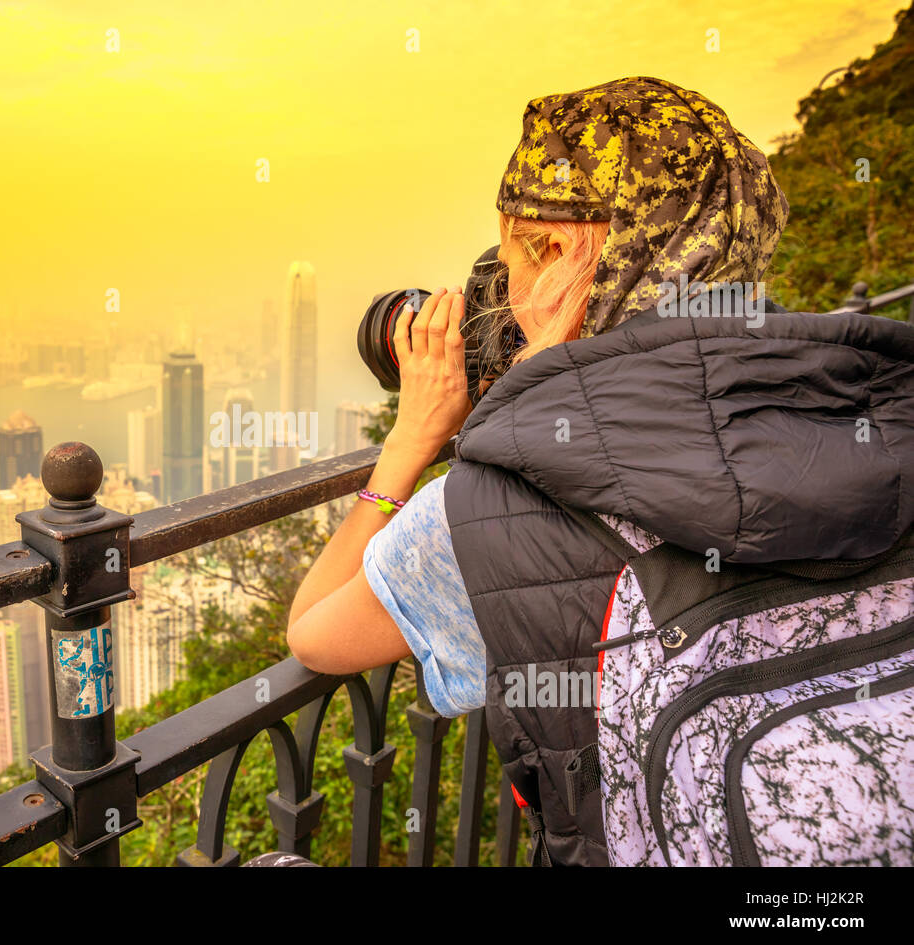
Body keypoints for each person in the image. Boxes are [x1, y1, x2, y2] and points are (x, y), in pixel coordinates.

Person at [286, 76, 914, 866]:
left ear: (553, 251)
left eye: (513, 260)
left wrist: (411, 439)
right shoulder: (876, 403)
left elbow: (313, 634)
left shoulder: (491, 508)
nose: (502, 298)